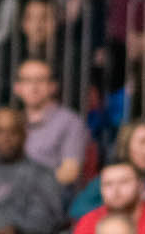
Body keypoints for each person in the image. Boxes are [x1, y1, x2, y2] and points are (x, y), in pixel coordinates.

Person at [13, 60, 91, 188]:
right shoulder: (13, 122)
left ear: (53, 86)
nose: (34, 87)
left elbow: (70, 173)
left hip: (50, 196)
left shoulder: (70, 122)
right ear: (17, 88)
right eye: (27, 80)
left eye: (40, 80)